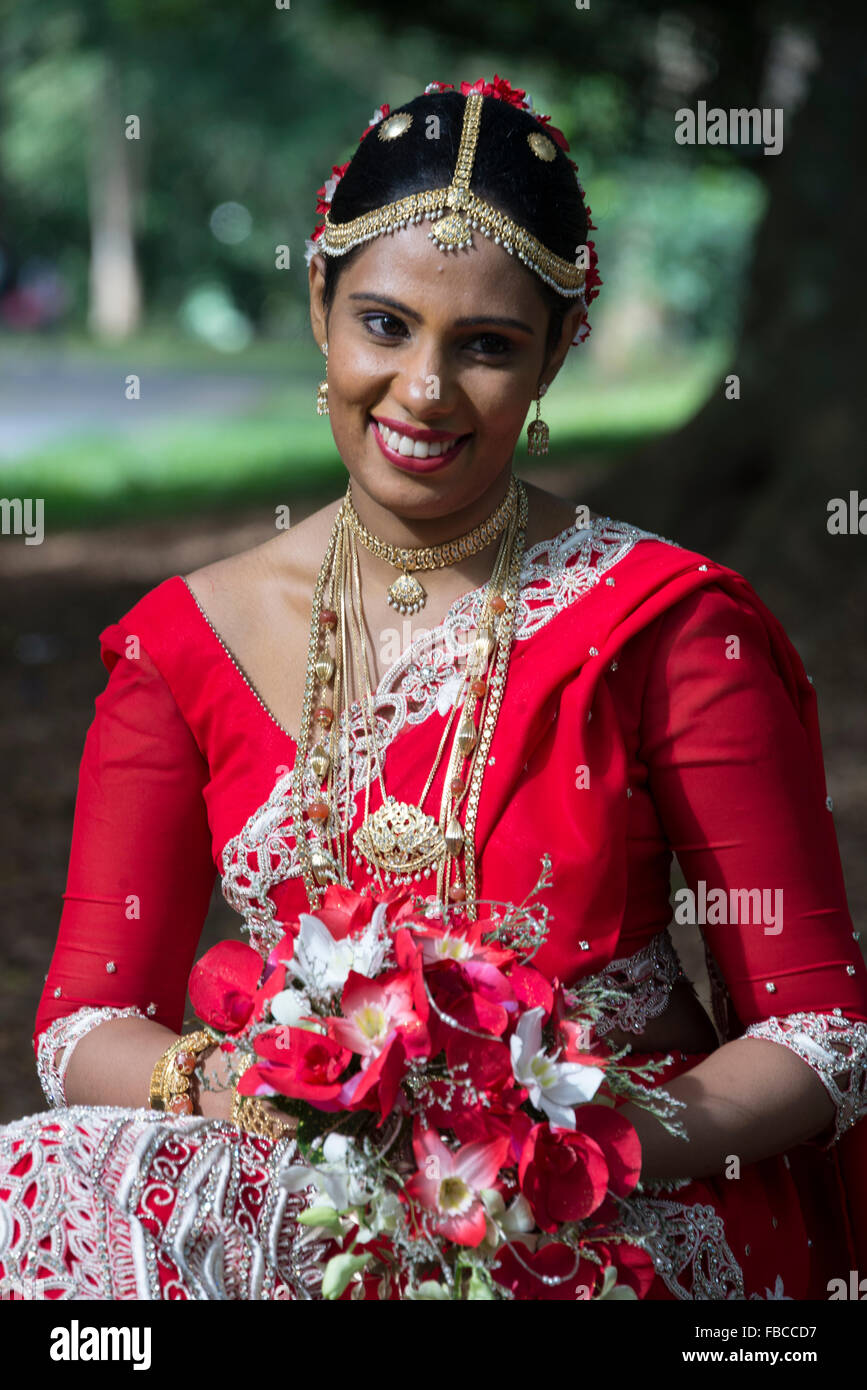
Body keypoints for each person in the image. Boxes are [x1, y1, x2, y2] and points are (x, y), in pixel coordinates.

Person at [0, 78, 865, 1303]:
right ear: (319, 303)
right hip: (316, 1197)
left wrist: (566, 1152)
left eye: (489, 346)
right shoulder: (182, 645)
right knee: (46, 1188)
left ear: (561, 350)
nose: (423, 391)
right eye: (386, 325)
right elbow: (82, 1023)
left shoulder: (667, 628)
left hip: (619, 1211)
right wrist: (234, 1092)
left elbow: (820, 1034)